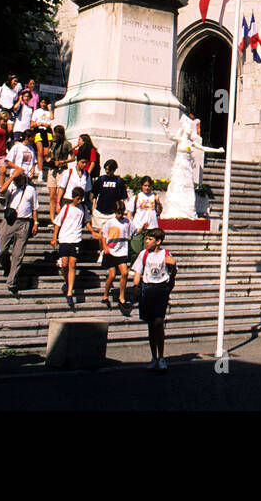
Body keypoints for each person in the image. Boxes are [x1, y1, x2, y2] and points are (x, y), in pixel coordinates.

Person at [160, 115, 222, 219]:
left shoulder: (191, 142)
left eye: (190, 128)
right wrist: (165, 126)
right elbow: (169, 136)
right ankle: (175, 209)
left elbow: (203, 148)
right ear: (184, 129)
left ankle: (187, 210)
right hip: (179, 165)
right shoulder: (180, 140)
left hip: (187, 167)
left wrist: (217, 150)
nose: (189, 130)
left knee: (187, 187)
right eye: (188, 128)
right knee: (178, 185)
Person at [132, 229, 176, 371]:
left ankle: (162, 357)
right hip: (147, 289)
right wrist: (135, 287)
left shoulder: (166, 254)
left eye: (150, 239)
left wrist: (173, 265)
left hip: (161, 289)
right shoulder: (143, 254)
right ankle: (153, 357)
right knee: (151, 325)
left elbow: (172, 272)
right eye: (147, 239)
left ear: (158, 242)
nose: (146, 242)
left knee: (158, 322)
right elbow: (138, 272)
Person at [0, 168, 38, 295]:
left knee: (18, 253)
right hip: (9, 221)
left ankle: (12, 282)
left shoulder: (31, 189)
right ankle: (8, 267)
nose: (18, 181)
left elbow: (34, 207)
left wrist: (35, 222)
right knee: (1, 249)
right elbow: (1, 192)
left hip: (24, 222)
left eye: (19, 178)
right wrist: (11, 178)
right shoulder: (10, 187)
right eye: (16, 179)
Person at [51, 188, 95, 308]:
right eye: (78, 199)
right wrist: (54, 238)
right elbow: (57, 223)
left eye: (81, 198)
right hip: (64, 238)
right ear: (73, 197)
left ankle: (70, 292)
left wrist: (92, 232)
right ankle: (67, 281)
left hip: (76, 239)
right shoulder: (66, 208)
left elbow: (86, 221)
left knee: (72, 264)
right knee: (64, 264)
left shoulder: (83, 208)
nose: (80, 201)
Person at [96, 200, 133, 312]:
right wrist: (105, 247)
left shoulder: (127, 222)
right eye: (118, 213)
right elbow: (103, 236)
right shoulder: (110, 222)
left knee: (125, 273)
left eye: (121, 213)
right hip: (111, 251)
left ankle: (121, 297)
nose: (120, 215)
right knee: (112, 275)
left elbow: (134, 231)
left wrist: (143, 228)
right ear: (114, 211)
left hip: (122, 251)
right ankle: (105, 295)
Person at [45, 125, 72, 219]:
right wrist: (49, 159)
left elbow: (72, 158)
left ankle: (59, 216)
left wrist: (62, 161)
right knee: (52, 195)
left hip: (62, 170)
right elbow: (49, 154)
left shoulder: (67, 144)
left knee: (59, 194)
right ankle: (52, 218)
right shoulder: (52, 143)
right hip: (53, 170)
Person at [93, 159, 127, 227]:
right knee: (100, 234)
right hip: (100, 212)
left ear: (114, 169)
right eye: (106, 169)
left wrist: (120, 211)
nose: (107, 171)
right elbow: (94, 195)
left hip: (113, 213)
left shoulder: (119, 181)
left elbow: (122, 198)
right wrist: (93, 209)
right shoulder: (101, 179)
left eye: (109, 169)